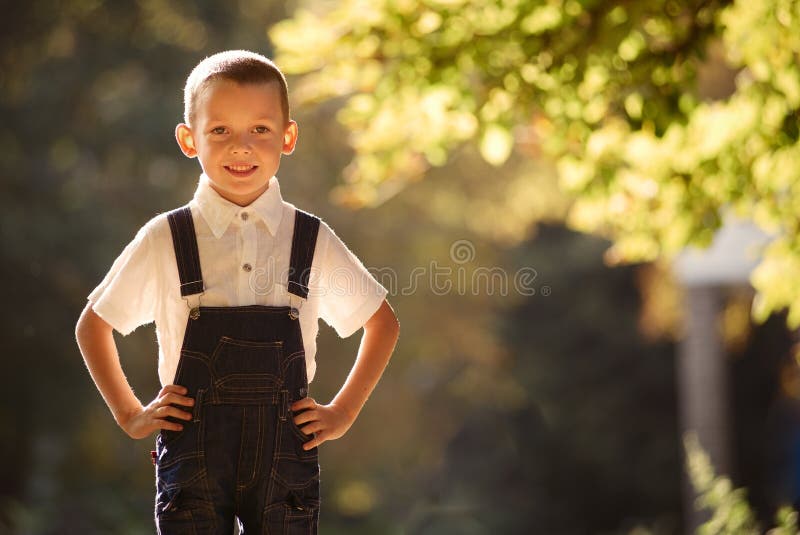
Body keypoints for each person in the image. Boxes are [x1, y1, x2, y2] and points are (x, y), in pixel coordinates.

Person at [74, 49, 400, 534]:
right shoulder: (168, 237)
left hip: (285, 458)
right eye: (220, 130)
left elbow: (382, 323)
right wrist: (130, 414)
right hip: (193, 456)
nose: (241, 147)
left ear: (288, 137)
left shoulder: (308, 238)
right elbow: (94, 325)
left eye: (260, 130)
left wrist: (343, 412)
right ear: (190, 139)